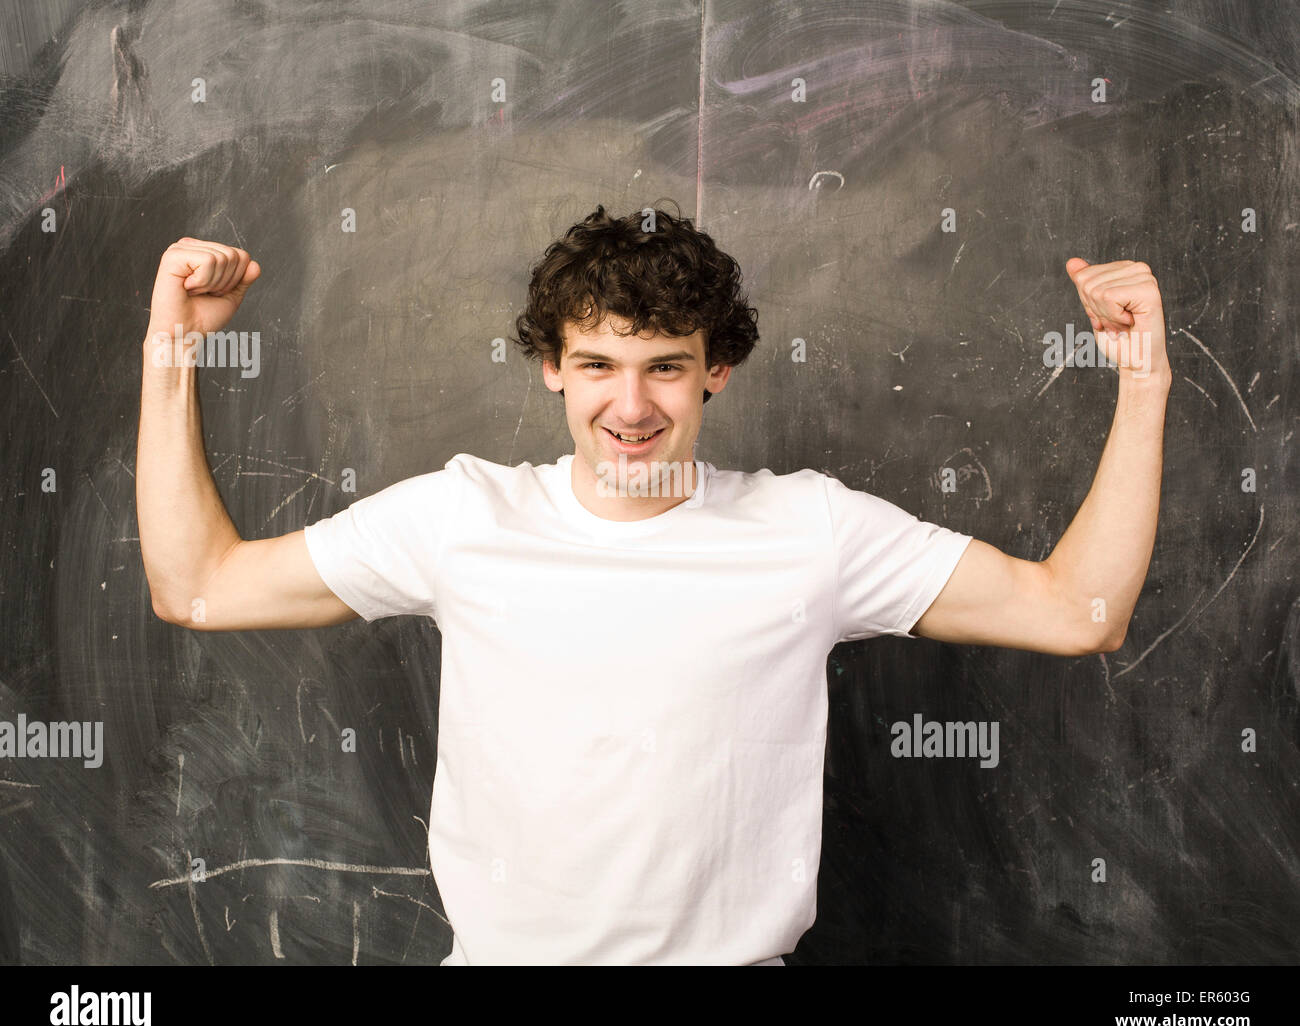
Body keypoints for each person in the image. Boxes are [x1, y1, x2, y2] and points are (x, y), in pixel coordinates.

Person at [136, 204, 1172, 965]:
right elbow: (200, 586)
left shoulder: (808, 528)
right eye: (596, 366)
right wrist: (174, 348)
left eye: (665, 367)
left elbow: (1076, 612)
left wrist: (1143, 382)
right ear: (550, 365)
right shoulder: (461, 517)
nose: (630, 405)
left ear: (716, 367)